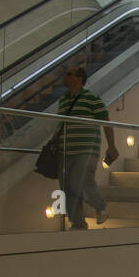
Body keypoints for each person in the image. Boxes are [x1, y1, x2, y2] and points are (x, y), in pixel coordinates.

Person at [53, 66, 117, 230]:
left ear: (79, 78)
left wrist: (112, 146)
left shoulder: (91, 98)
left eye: (69, 74)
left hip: (86, 150)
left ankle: (100, 205)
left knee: (79, 183)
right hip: (65, 150)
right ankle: (78, 224)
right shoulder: (63, 100)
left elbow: (106, 122)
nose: (65, 77)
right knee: (67, 188)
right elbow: (61, 125)